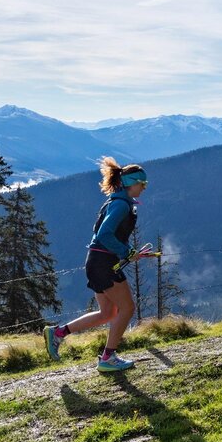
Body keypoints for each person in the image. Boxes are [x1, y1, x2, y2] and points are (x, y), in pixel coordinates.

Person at [43, 158, 151, 372]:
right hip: (104, 263)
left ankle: (58, 333)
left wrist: (130, 252)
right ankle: (107, 358)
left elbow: (109, 236)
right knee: (127, 308)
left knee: (108, 313)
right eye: (143, 184)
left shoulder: (116, 202)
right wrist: (126, 252)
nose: (144, 188)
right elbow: (104, 235)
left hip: (97, 261)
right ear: (132, 183)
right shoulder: (121, 205)